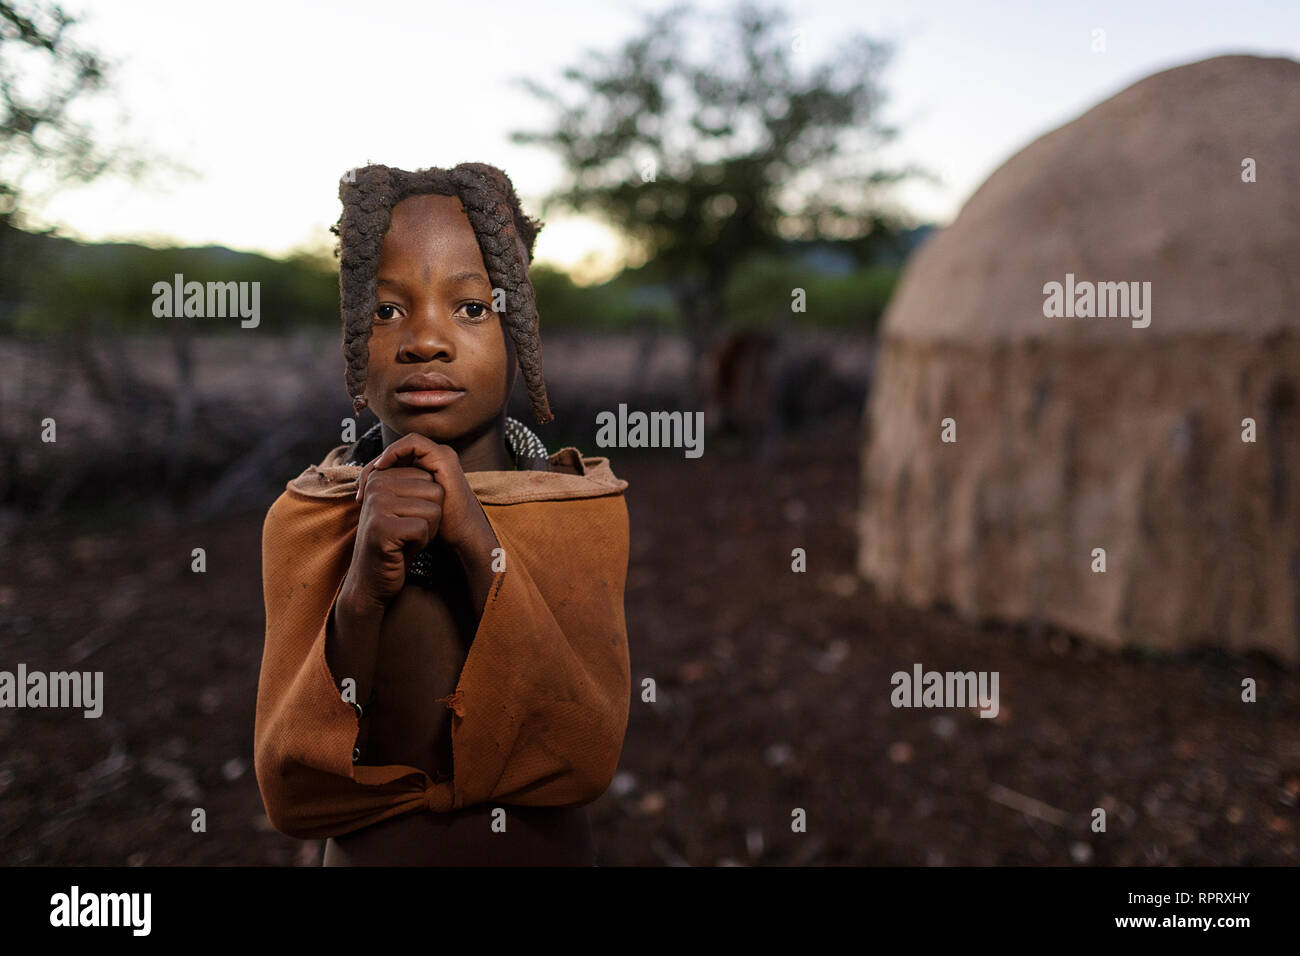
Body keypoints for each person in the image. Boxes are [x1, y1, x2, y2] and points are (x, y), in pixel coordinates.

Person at [253, 163, 631, 865]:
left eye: (471, 308)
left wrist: (477, 540)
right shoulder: (307, 521)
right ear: (351, 338)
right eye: (387, 310)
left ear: (520, 330)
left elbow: (583, 749)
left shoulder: (579, 513)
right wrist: (361, 592)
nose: (425, 340)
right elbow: (295, 786)